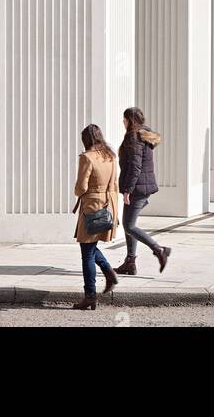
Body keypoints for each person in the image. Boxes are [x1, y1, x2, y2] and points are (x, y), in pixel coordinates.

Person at [116, 107, 171, 276]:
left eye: (124, 119)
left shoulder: (134, 136)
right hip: (141, 186)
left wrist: (128, 190)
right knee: (128, 224)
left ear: (130, 120)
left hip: (137, 188)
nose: (123, 122)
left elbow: (135, 166)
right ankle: (130, 262)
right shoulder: (143, 135)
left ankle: (159, 250)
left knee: (129, 225)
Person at [71, 124, 119, 310]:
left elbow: (81, 187)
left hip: (91, 205)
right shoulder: (110, 156)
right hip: (109, 205)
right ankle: (109, 272)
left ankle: (90, 296)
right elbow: (114, 183)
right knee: (89, 247)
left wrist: (77, 191)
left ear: (86, 140)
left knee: (87, 252)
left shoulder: (87, 157)